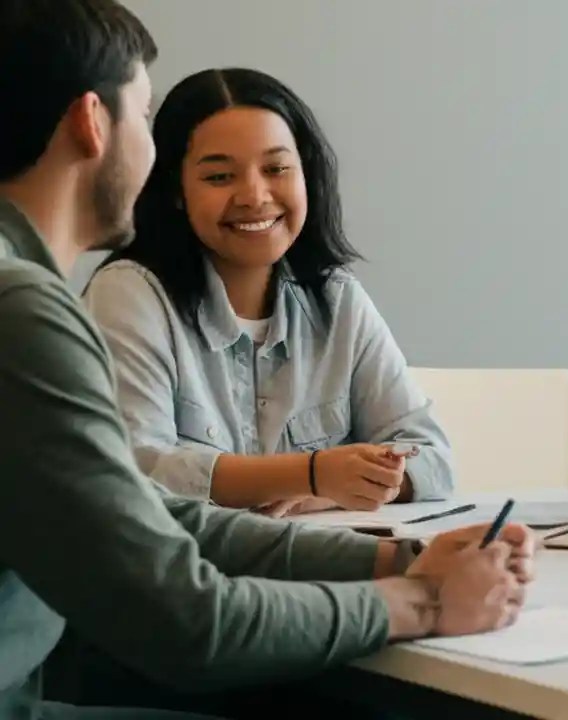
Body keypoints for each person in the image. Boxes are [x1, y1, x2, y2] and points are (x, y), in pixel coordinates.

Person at [0, 2, 533, 718]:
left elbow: (150, 517)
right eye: (147, 113)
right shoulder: (25, 312)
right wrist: (425, 600)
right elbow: (190, 620)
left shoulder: (21, 296)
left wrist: (395, 560)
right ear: (93, 122)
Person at [82, 68, 451, 517]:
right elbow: (136, 469)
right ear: (176, 191)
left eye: (276, 169)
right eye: (219, 177)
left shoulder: (339, 301)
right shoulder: (129, 295)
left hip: (320, 569)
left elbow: (430, 456)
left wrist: (328, 490)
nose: (255, 196)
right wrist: (310, 472)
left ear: (305, 175)